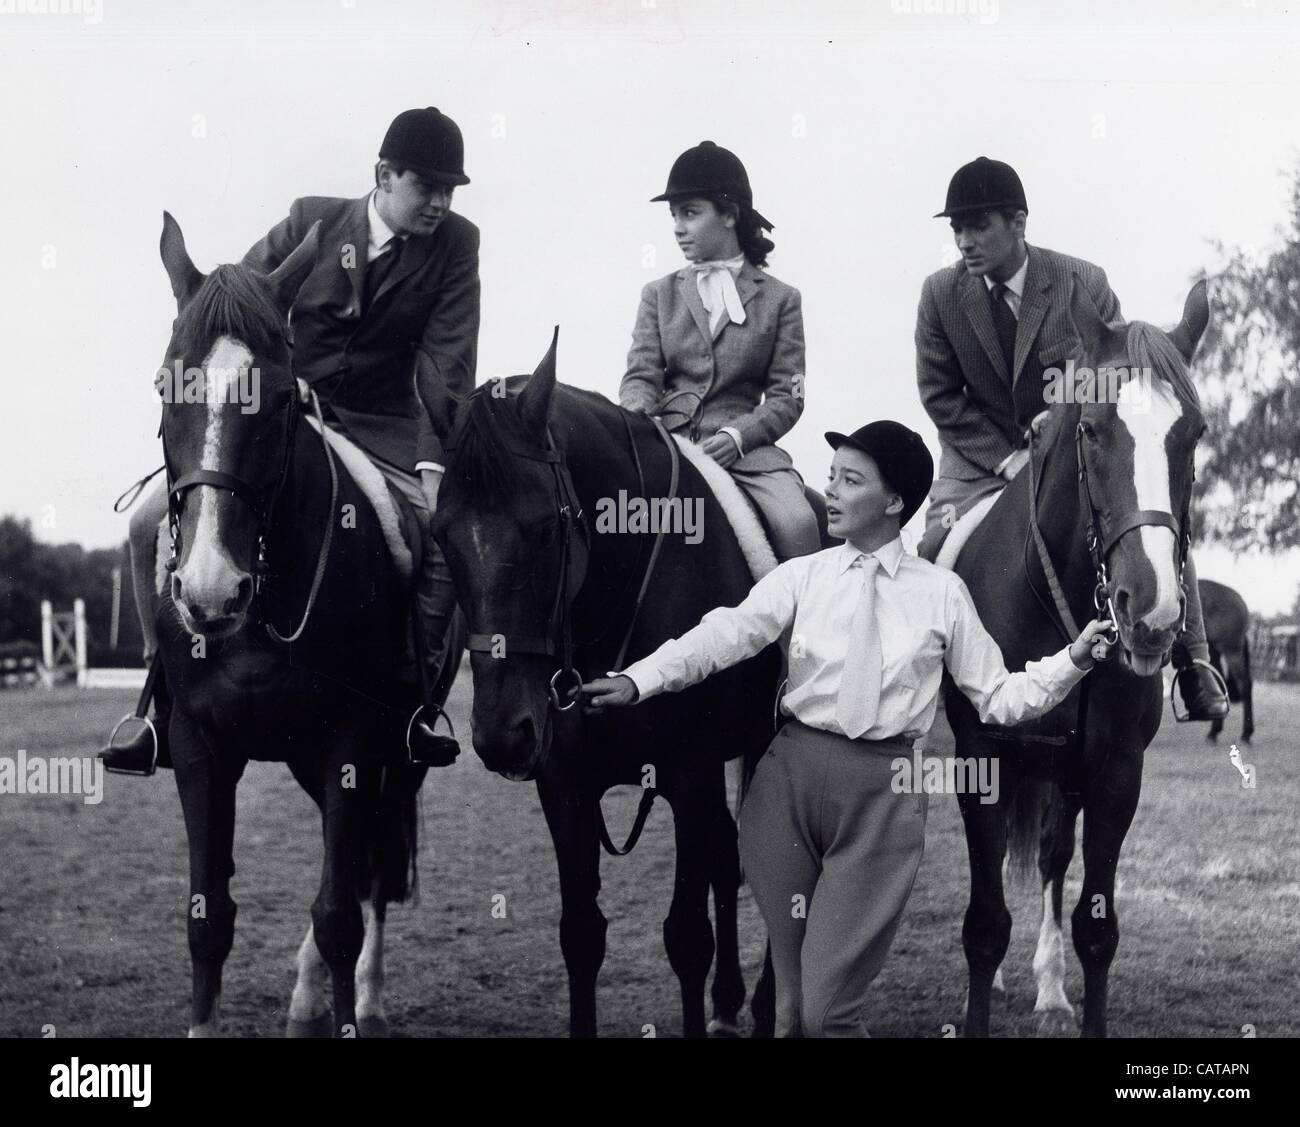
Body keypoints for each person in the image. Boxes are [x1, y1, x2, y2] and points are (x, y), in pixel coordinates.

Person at [582, 420, 1115, 1037]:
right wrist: (637, 680)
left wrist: (1071, 660)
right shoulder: (801, 577)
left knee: (829, 1009)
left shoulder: (942, 594)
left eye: (850, 480)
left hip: (880, 805)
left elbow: (997, 697)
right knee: (788, 1010)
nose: (830, 492)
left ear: (893, 502)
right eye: (831, 477)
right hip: (784, 796)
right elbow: (723, 634)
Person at [101, 106, 478, 772]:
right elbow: (232, 302)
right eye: (427, 185)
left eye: (451, 190)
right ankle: (157, 696)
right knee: (142, 525)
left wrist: (431, 461)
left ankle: (415, 701)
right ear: (383, 175)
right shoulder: (311, 220)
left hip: (386, 427)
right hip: (283, 415)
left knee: (435, 532)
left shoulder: (457, 245)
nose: (441, 203)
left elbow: (447, 362)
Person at [914, 156, 1227, 721]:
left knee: (1153, 525)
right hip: (975, 463)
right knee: (933, 551)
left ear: (1019, 223)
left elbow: (1115, 371)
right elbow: (940, 396)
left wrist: (1056, 420)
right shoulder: (939, 295)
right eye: (957, 228)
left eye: (978, 225)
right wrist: (1006, 456)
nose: (964, 241)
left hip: (1070, 452)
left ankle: (1196, 664)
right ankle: (925, 674)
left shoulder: (1084, 282)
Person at [619, 140, 820, 561]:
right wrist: (639, 421)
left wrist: (738, 436)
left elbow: (788, 396)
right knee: (609, 520)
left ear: (729, 215)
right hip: (667, 445)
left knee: (798, 523)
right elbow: (640, 376)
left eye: (690, 213)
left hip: (746, 454)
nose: (677, 227)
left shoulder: (782, 299)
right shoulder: (658, 294)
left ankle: (795, 627)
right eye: (674, 215)